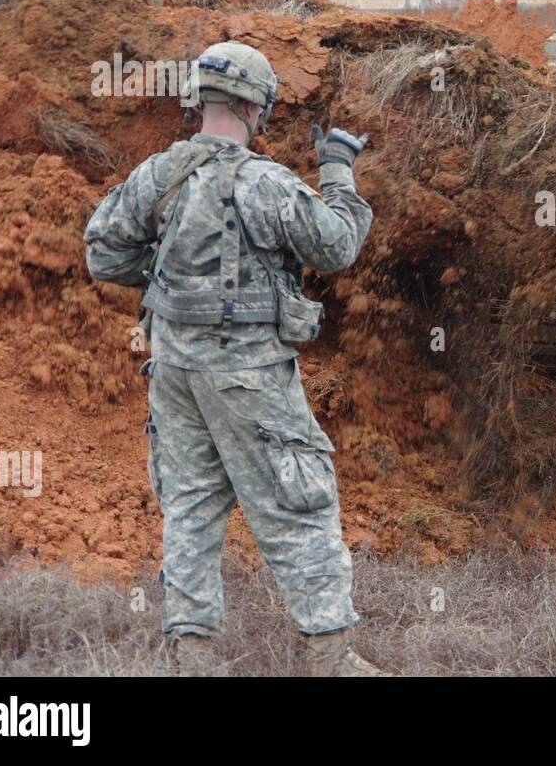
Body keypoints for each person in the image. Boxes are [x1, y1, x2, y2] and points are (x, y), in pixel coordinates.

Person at [84, 41, 378, 676]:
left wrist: (169, 285)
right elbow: (337, 245)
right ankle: (332, 657)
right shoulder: (266, 183)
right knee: (298, 503)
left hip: (173, 371)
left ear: (202, 99)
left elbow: (102, 254)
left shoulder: (158, 174)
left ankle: (195, 658)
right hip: (249, 376)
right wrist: (338, 172)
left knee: (189, 506)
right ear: (253, 106)